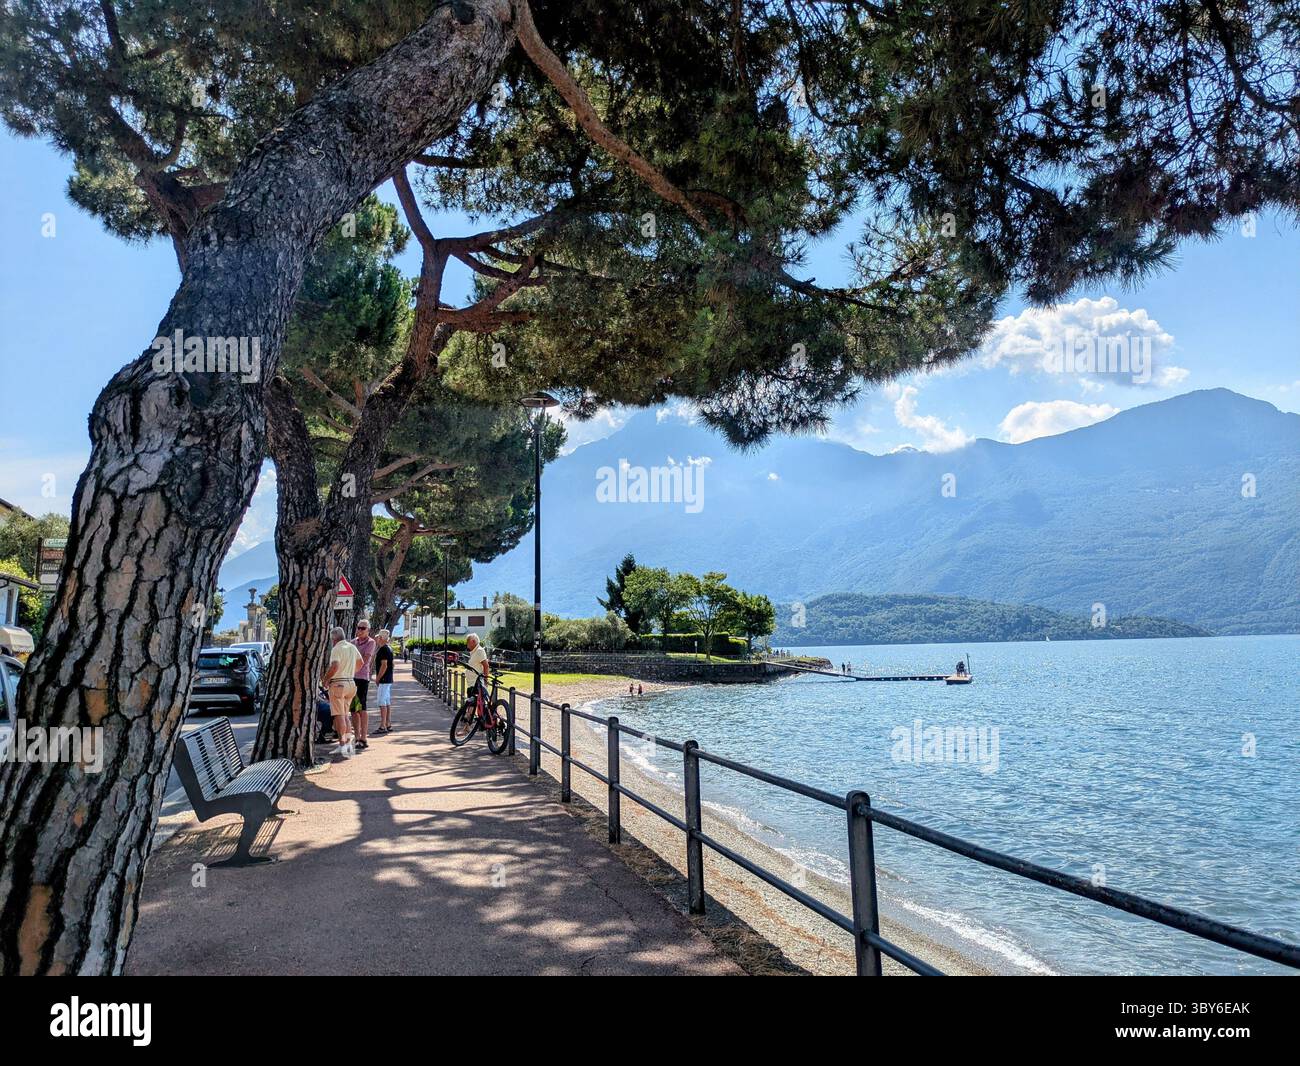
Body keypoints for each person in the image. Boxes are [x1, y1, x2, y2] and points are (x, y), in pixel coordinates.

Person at [323, 627, 362, 757]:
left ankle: (342, 744)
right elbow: (361, 662)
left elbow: (334, 666)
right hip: (350, 682)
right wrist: (351, 671)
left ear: (334, 639)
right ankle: (347, 743)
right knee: (345, 714)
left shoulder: (336, 649)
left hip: (338, 683)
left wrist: (326, 679)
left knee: (339, 715)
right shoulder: (351, 647)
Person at [351, 619, 376, 751]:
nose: (360, 630)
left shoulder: (371, 642)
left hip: (362, 678)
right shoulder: (353, 642)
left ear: (368, 630)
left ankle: (364, 737)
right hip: (352, 678)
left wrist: (353, 668)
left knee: (362, 707)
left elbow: (365, 660)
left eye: (363, 628)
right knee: (354, 709)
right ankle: (357, 737)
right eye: (359, 627)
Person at [374, 628, 395, 734]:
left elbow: (384, 665)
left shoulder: (383, 649)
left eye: (378, 637)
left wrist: (378, 678)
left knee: (382, 702)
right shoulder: (389, 649)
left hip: (383, 679)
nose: (377, 639)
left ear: (381, 638)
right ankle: (388, 723)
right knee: (386, 701)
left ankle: (382, 725)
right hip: (388, 679)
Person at [465, 632, 490, 701]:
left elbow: (486, 666)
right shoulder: (474, 652)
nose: (467, 644)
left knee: (472, 706)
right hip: (472, 685)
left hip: (476, 685)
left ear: (473, 641)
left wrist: (485, 681)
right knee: (472, 706)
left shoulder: (479, 651)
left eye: (468, 642)